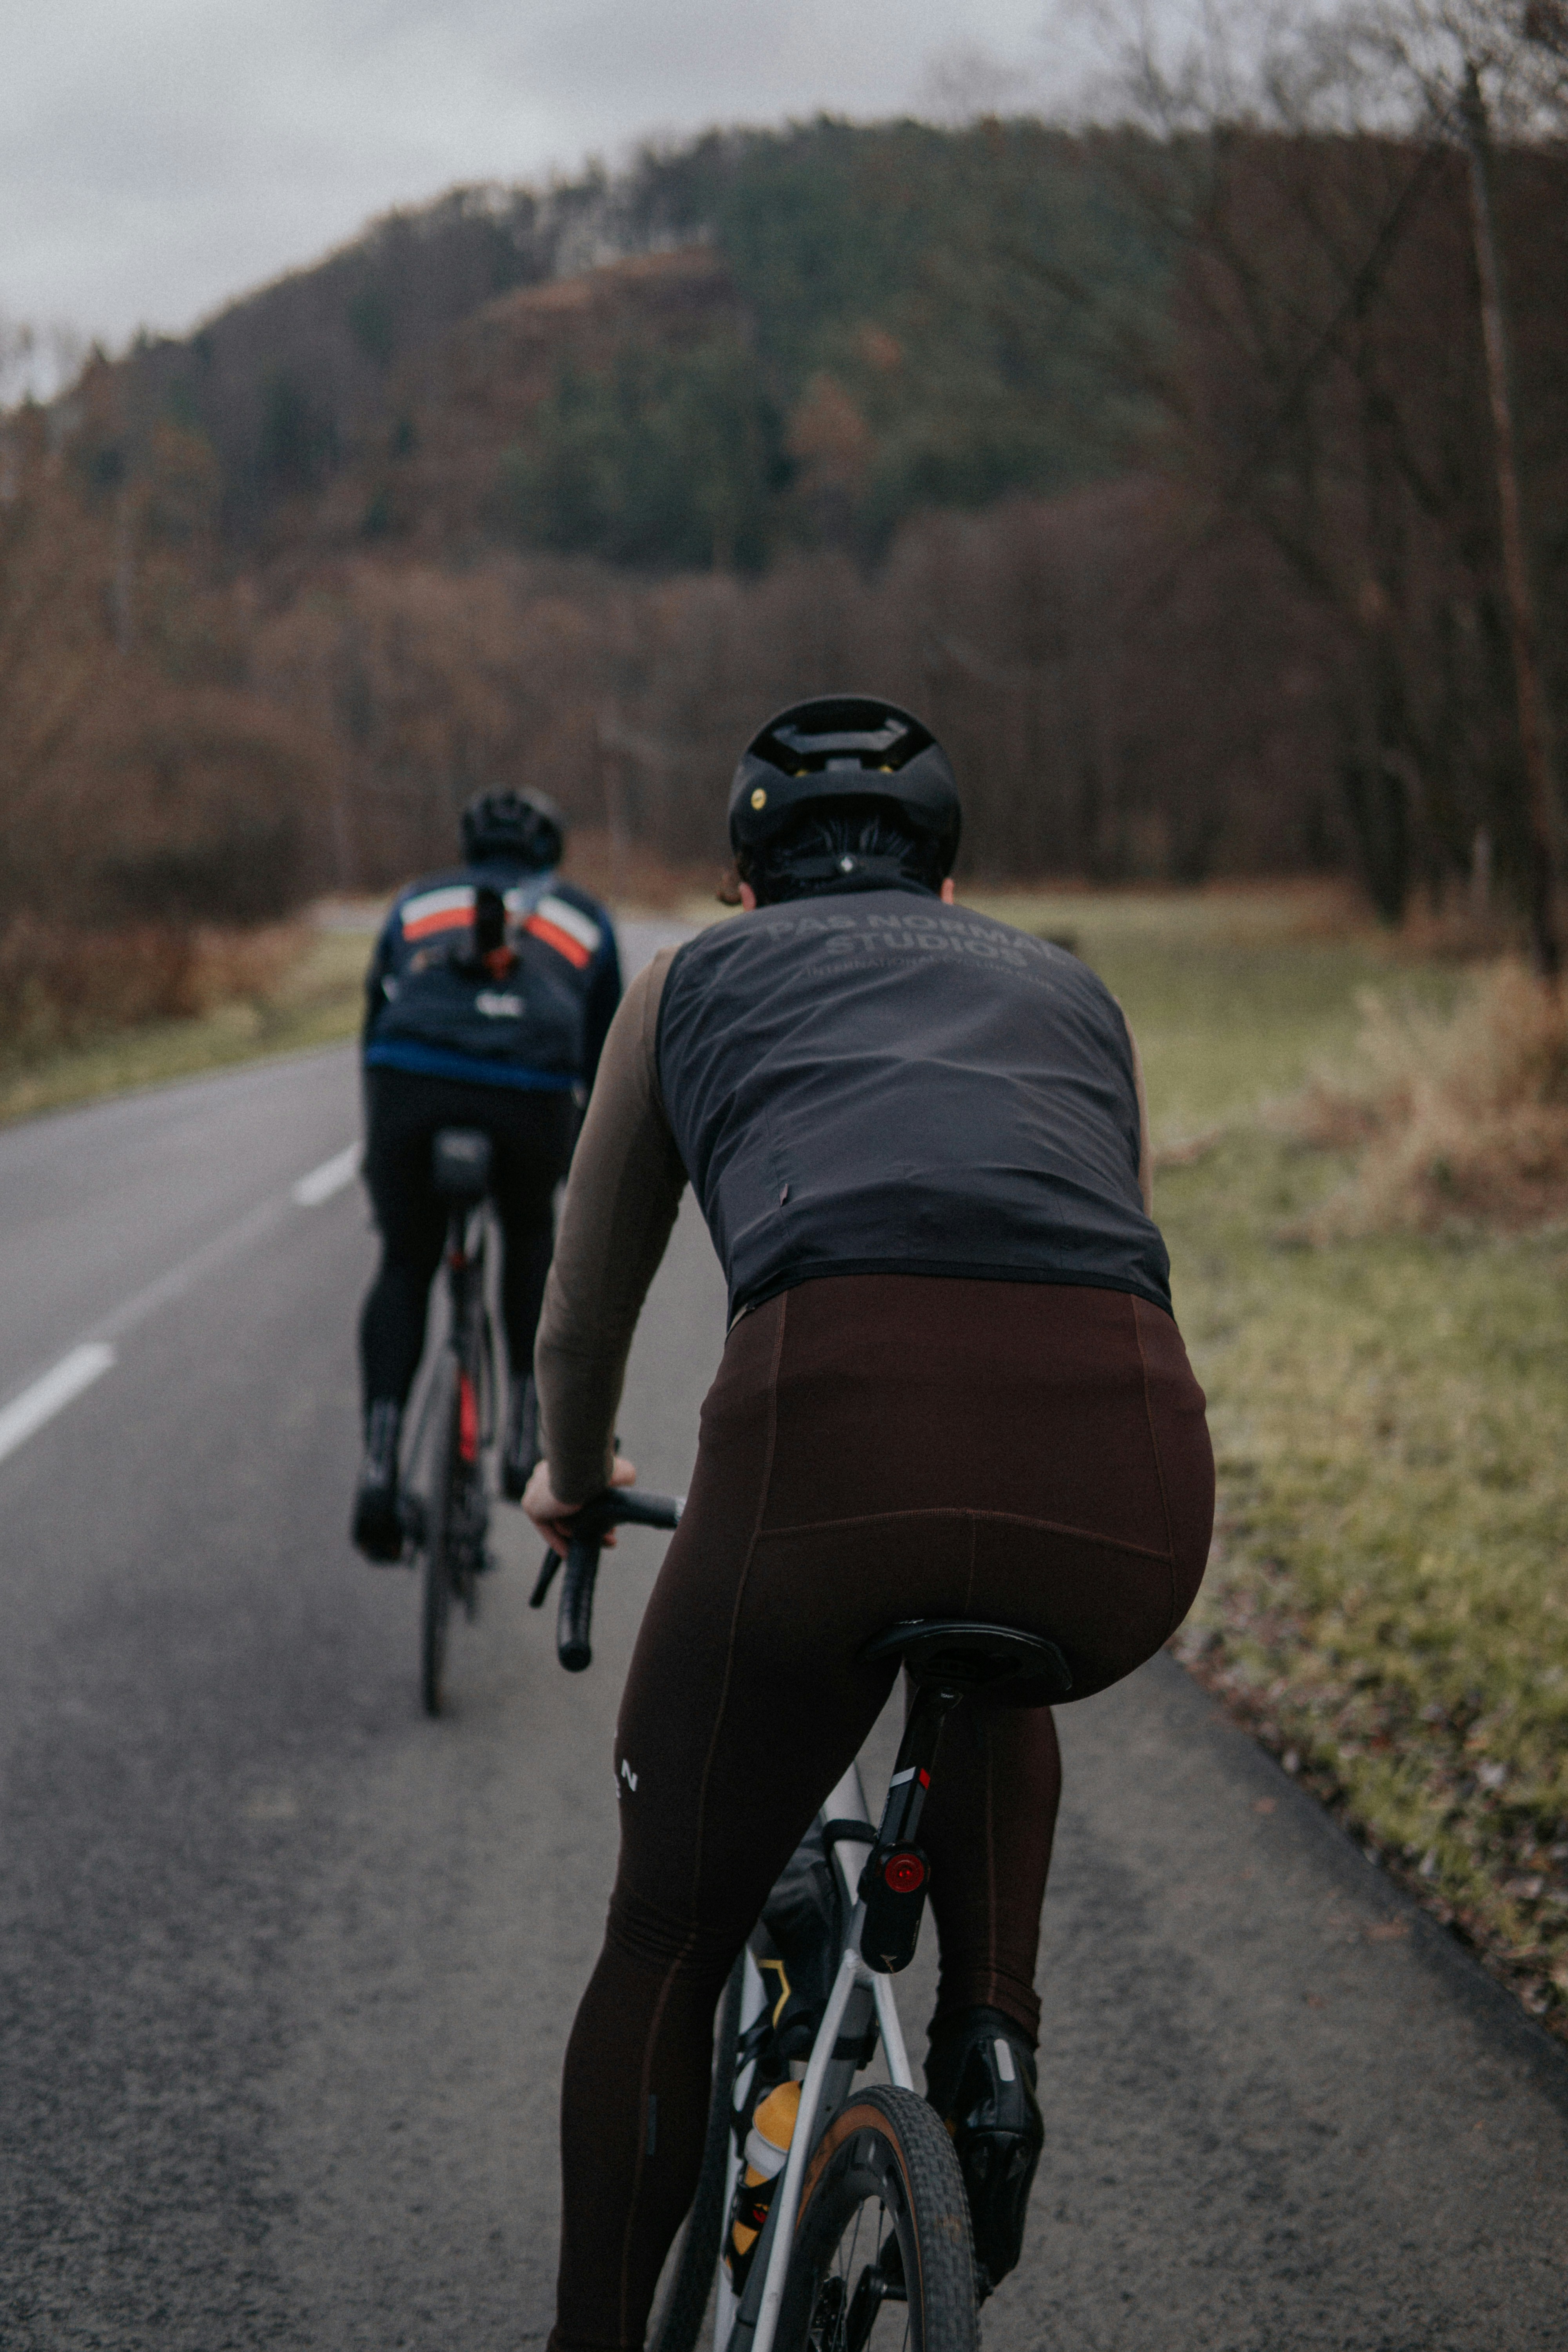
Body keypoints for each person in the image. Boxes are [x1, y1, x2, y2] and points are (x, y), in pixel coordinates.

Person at [523, 697, 1214, 2344]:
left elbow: (582, 1315)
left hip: (827, 1454)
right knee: (992, 1644)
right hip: (1125, 1481)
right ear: (949, 891)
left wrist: (569, 1474)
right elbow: (1090, 1234)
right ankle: (989, 2040)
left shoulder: (687, 981)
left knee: (668, 1935)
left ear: (743, 890)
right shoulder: (1071, 989)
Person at [351, 787, 620, 1562]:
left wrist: (383, 1152)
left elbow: (374, 1025)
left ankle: (378, 1464)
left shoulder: (415, 902)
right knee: (530, 1232)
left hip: (411, 1083)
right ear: (550, 853)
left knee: (406, 1264)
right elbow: (607, 1057)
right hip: (528, 1100)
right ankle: (524, 1442)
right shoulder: (582, 916)